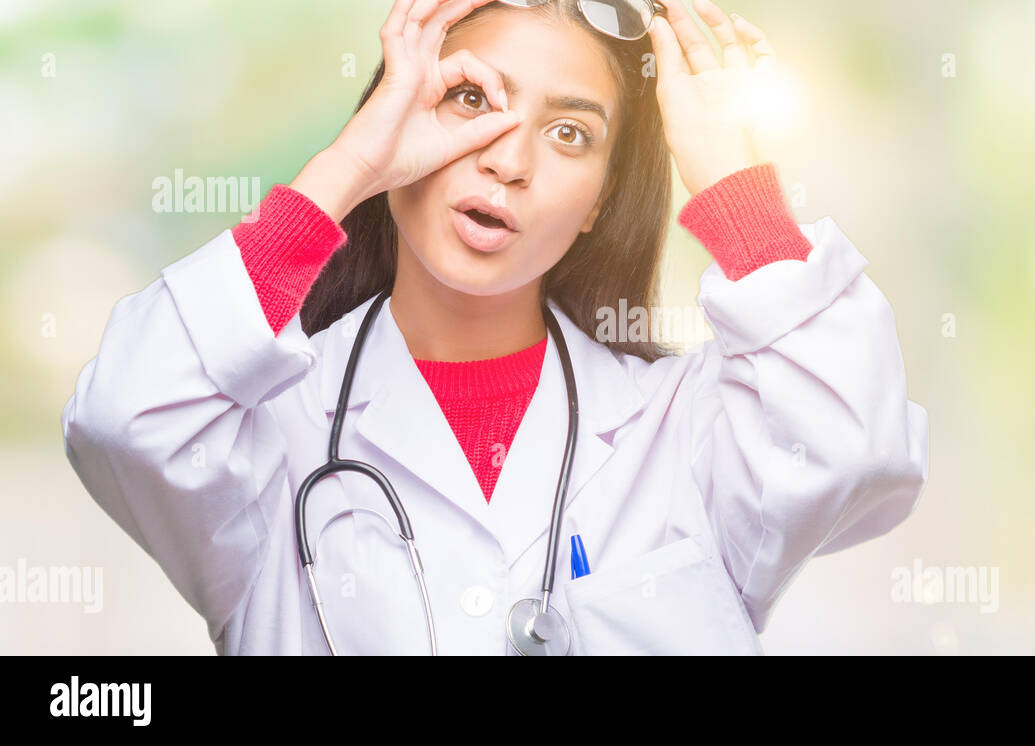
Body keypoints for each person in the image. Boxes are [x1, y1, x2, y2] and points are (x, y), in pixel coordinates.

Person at [61, 0, 929, 655]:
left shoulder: (688, 429)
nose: (510, 161)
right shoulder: (272, 423)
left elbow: (855, 446)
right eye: (471, 97)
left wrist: (732, 176)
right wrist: (348, 168)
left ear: (597, 204)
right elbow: (124, 419)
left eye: (568, 133)